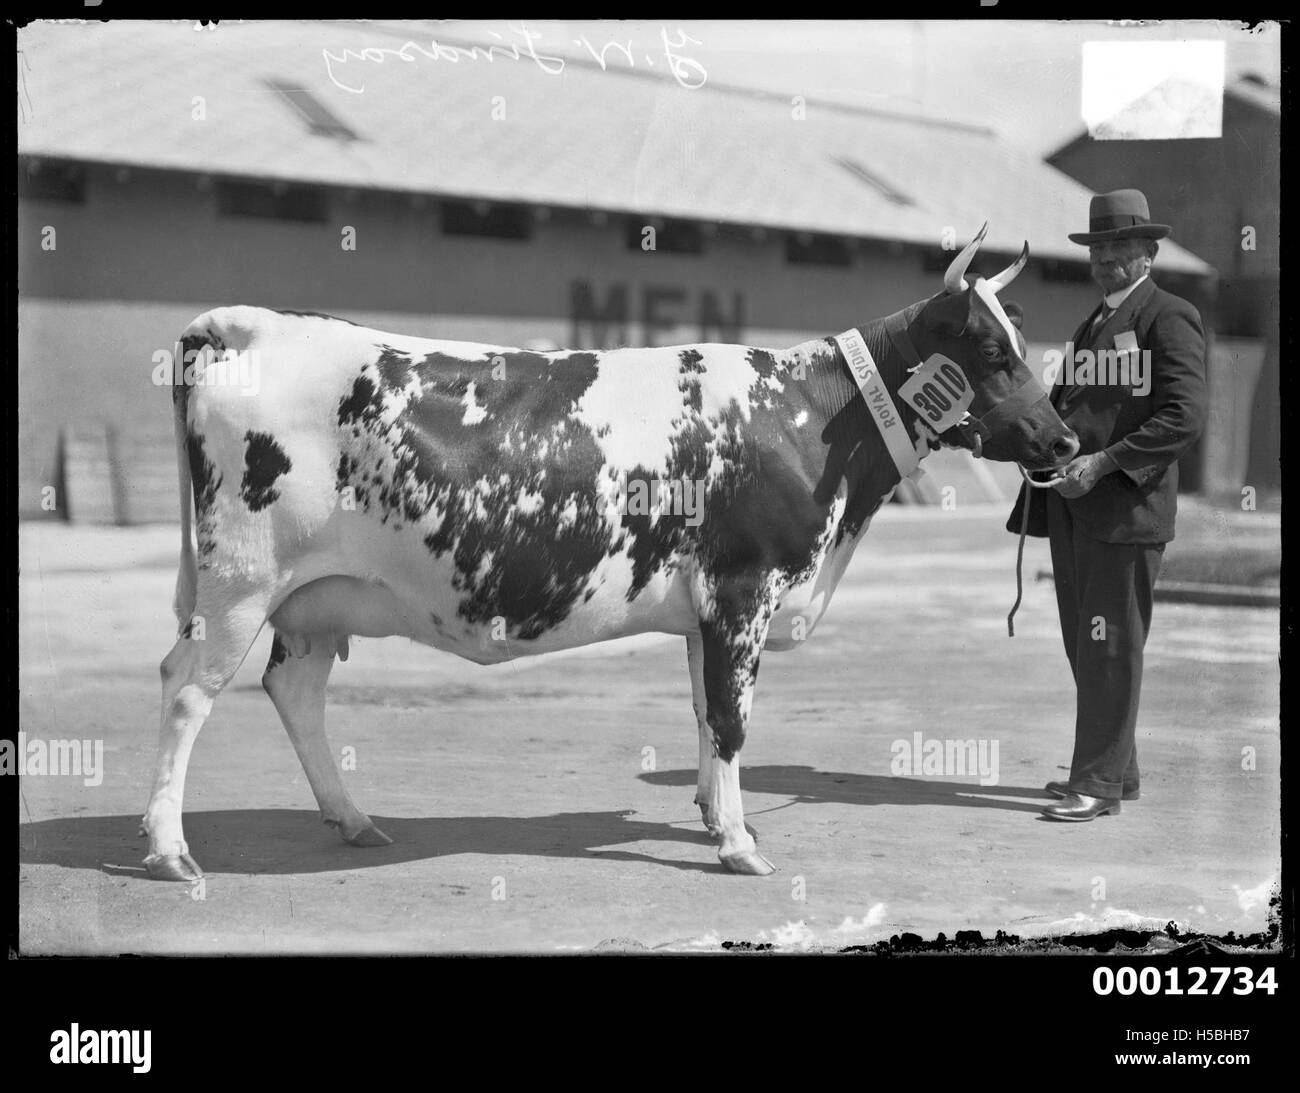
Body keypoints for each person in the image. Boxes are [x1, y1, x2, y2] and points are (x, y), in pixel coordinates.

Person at [1007, 189, 1208, 821]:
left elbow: (1185, 415)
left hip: (1124, 512)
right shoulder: (1094, 322)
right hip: (1074, 508)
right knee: (1085, 644)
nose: (1107, 259)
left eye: (1121, 246)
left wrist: (1101, 464)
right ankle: (1116, 772)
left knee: (1109, 646)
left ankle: (1094, 782)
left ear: (1149, 251)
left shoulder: (1168, 316)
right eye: (1098, 248)